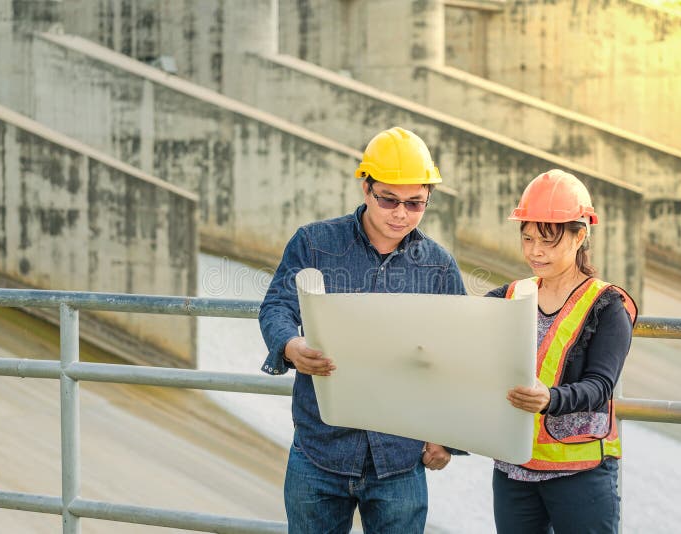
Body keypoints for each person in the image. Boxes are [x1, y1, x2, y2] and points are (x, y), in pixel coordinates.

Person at [259, 126, 467, 533]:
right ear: (365, 187)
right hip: (320, 449)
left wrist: (447, 437)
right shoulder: (315, 244)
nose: (400, 213)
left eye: (415, 203)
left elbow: (458, 357)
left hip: (400, 459)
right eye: (388, 199)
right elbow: (278, 305)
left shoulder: (439, 267)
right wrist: (289, 345)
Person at [486, 169, 637, 534]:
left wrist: (549, 398)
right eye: (527, 239)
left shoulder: (606, 305)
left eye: (548, 241)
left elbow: (601, 386)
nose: (535, 251)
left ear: (580, 235)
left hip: (579, 476)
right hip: (514, 472)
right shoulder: (508, 297)